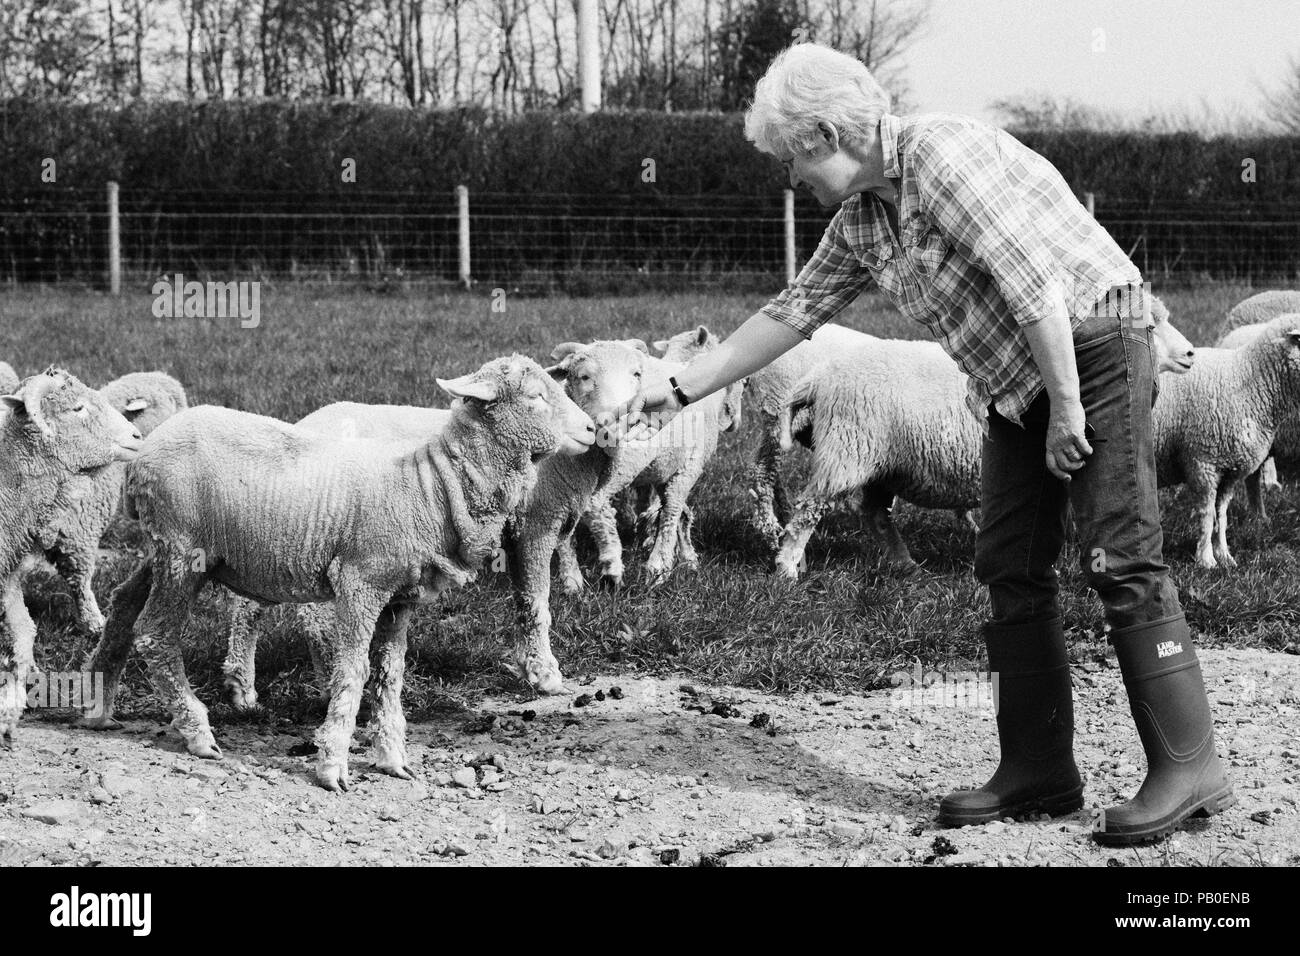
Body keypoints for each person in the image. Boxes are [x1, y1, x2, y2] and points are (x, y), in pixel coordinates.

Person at [611, 42, 1234, 845]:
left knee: (1117, 550)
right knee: (1008, 560)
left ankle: (1192, 765)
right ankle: (1039, 770)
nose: (791, 179)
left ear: (826, 133)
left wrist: (1071, 410)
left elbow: (1033, 283)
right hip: (1020, 377)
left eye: (790, 160)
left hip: (1097, 345)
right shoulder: (865, 218)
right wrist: (683, 386)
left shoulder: (941, 154)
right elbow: (792, 312)